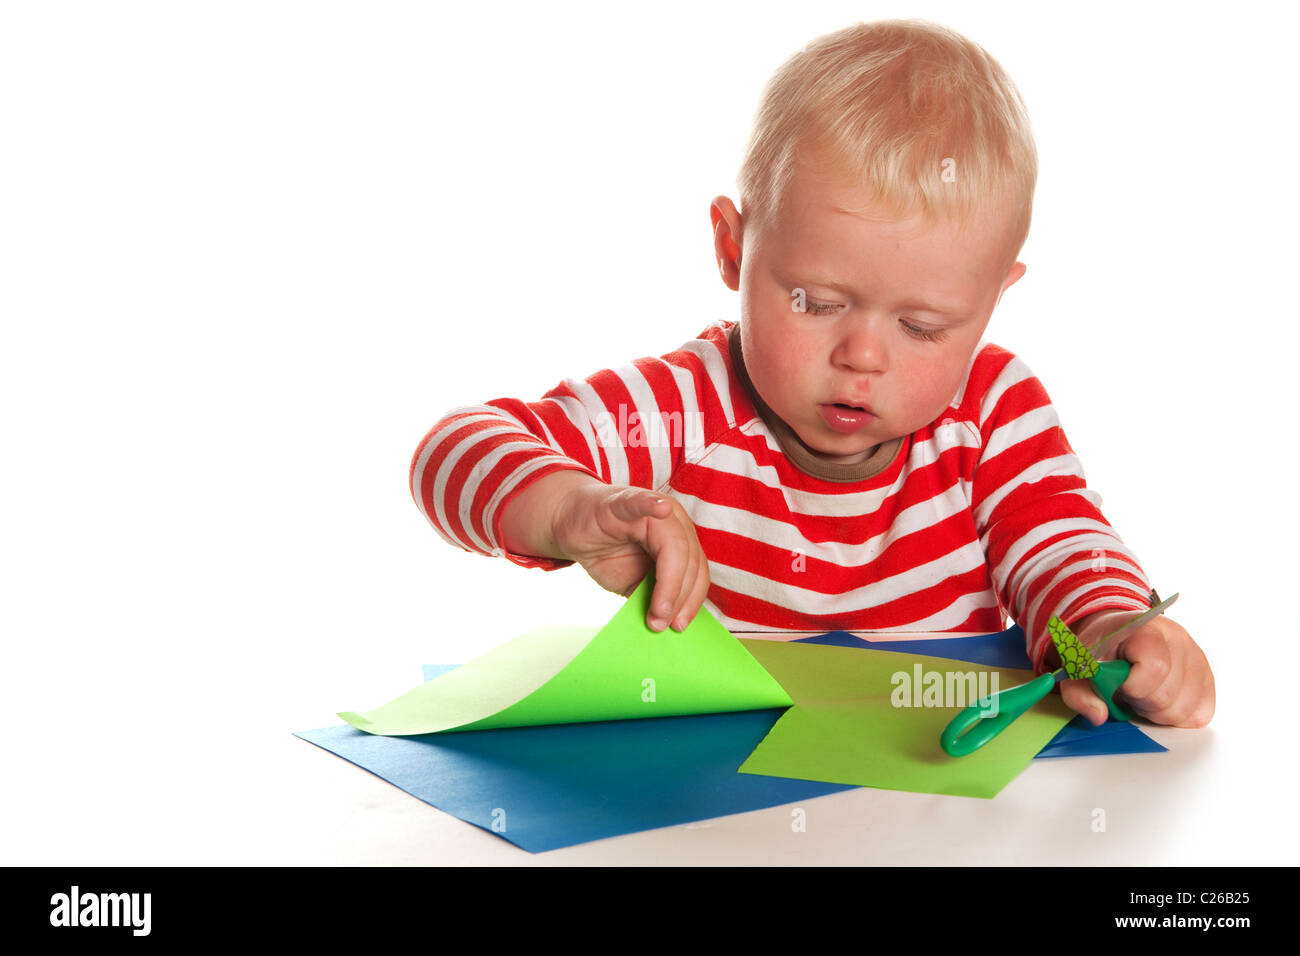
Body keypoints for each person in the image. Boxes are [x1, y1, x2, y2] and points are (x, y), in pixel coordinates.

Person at [409, 20, 1214, 729]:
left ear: (994, 298)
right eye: (816, 301)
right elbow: (453, 449)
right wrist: (571, 509)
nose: (863, 355)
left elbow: (1057, 540)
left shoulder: (994, 409)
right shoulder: (687, 407)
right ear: (732, 247)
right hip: (718, 799)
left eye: (922, 326)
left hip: (946, 804)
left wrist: (1109, 630)